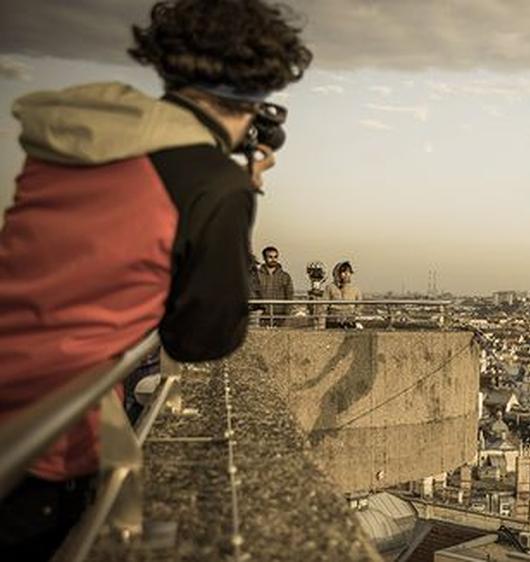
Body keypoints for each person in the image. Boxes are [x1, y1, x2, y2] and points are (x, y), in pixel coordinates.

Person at [0, 0, 312, 557]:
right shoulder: (214, 183)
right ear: (258, 93)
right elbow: (205, 337)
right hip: (50, 429)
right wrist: (240, 190)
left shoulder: (82, 139)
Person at [257, 245, 295, 326]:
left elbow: (290, 296)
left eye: (275, 257)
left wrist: (286, 314)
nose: (273, 259)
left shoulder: (285, 276)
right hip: (262, 317)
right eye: (270, 257)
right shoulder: (257, 276)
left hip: (280, 317)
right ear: (264, 258)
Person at [324, 261, 363, 329]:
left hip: (349, 322)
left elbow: (359, 305)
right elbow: (323, 306)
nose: (346, 274)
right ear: (337, 274)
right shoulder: (330, 287)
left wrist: (353, 315)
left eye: (349, 272)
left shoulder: (355, 289)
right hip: (333, 322)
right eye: (344, 272)